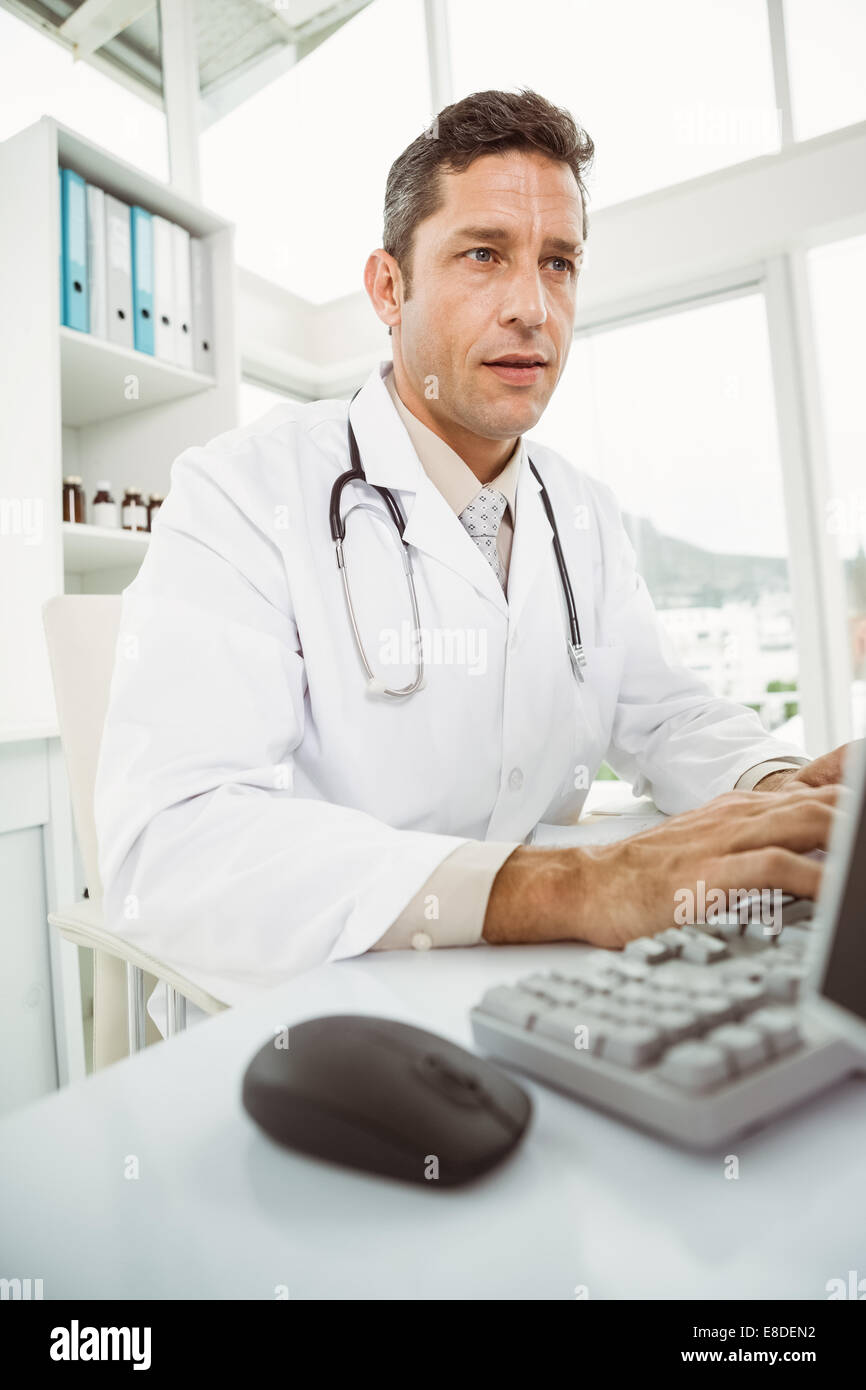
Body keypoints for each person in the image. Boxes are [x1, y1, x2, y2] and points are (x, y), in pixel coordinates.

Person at [94, 89, 854, 1017]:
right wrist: (566, 886)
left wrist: (781, 790)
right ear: (388, 287)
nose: (532, 307)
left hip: (525, 990)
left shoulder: (581, 511)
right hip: (296, 1011)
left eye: (560, 263)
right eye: (484, 255)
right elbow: (170, 849)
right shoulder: (243, 493)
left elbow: (663, 714)